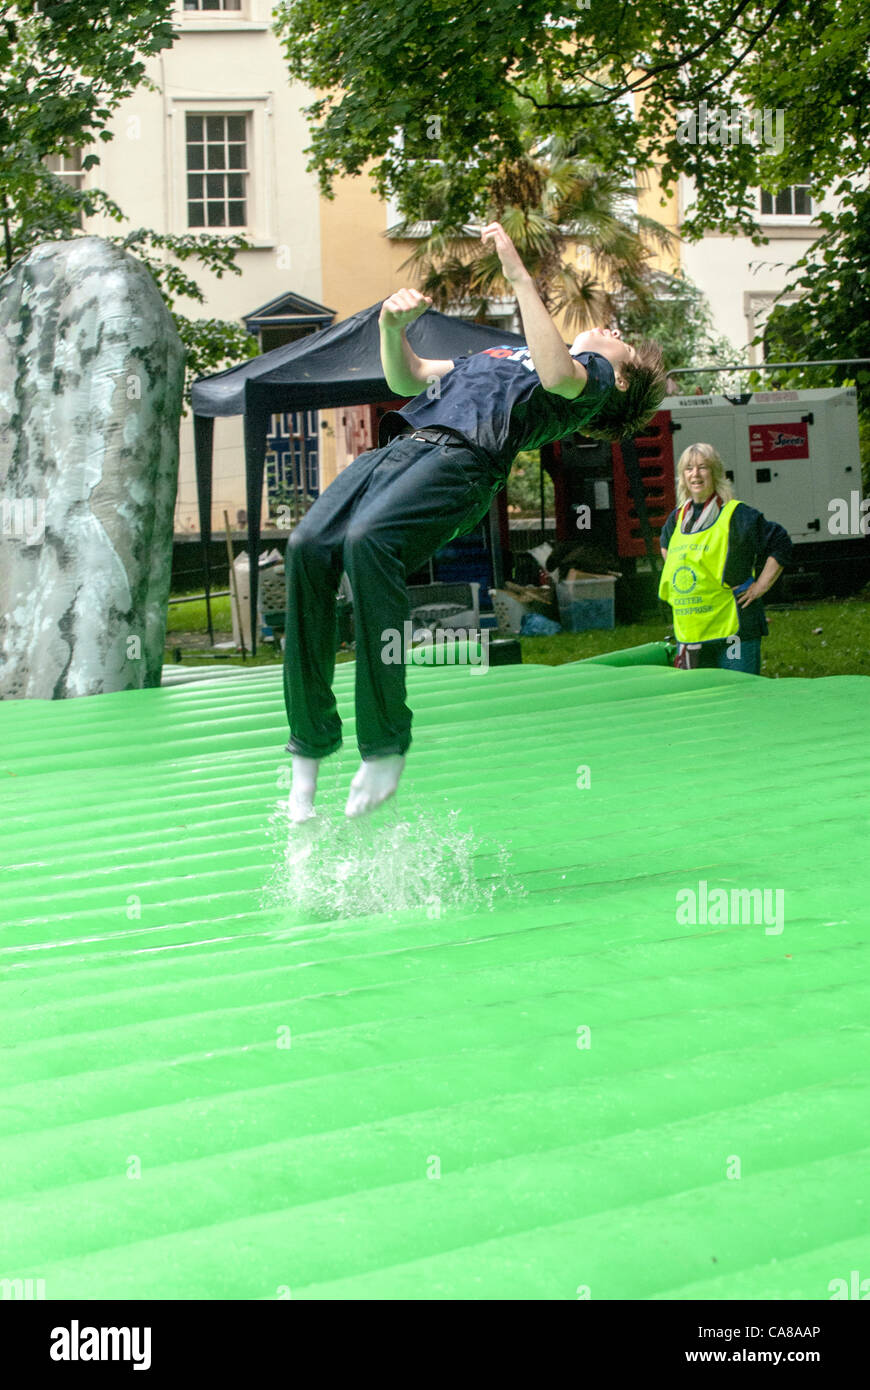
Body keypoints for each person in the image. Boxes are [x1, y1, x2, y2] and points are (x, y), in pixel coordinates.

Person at [284, 221, 667, 821]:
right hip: (402, 451)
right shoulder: (505, 356)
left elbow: (557, 375)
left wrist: (518, 275)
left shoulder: (588, 381)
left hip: (461, 463)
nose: (615, 331)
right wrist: (390, 328)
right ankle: (310, 744)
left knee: (368, 543)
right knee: (308, 545)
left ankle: (384, 743)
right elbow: (409, 378)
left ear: (619, 378)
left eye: (624, 344)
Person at [658, 442, 793, 674]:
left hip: (734, 631)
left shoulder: (736, 515)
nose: (695, 474)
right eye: (689, 468)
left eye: (703, 467)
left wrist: (760, 586)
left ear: (716, 473)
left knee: (738, 698)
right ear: (682, 476)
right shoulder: (676, 519)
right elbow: (667, 551)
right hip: (692, 633)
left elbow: (780, 542)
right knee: (700, 701)